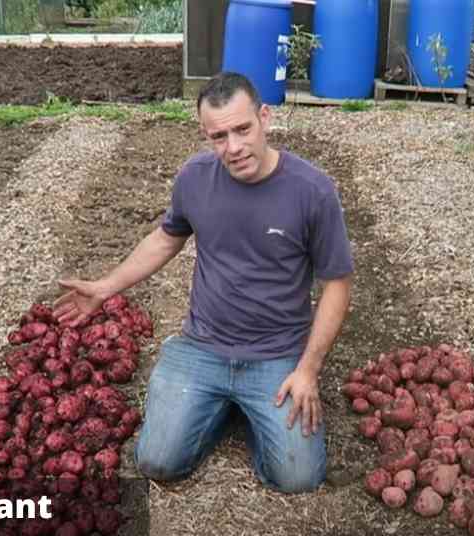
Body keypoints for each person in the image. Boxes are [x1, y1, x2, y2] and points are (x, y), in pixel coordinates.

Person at [52, 71, 354, 494]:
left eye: (242, 129)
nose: (233, 147)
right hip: (203, 347)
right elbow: (165, 238)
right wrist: (105, 287)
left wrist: (308, 369)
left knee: (299, 477)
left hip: (276, 354)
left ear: (265, 117)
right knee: (157, 462)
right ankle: (217, 401)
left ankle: (247, 409)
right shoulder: (195, 177)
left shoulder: (312, 191)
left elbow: (337, 285)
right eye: (218, 136)